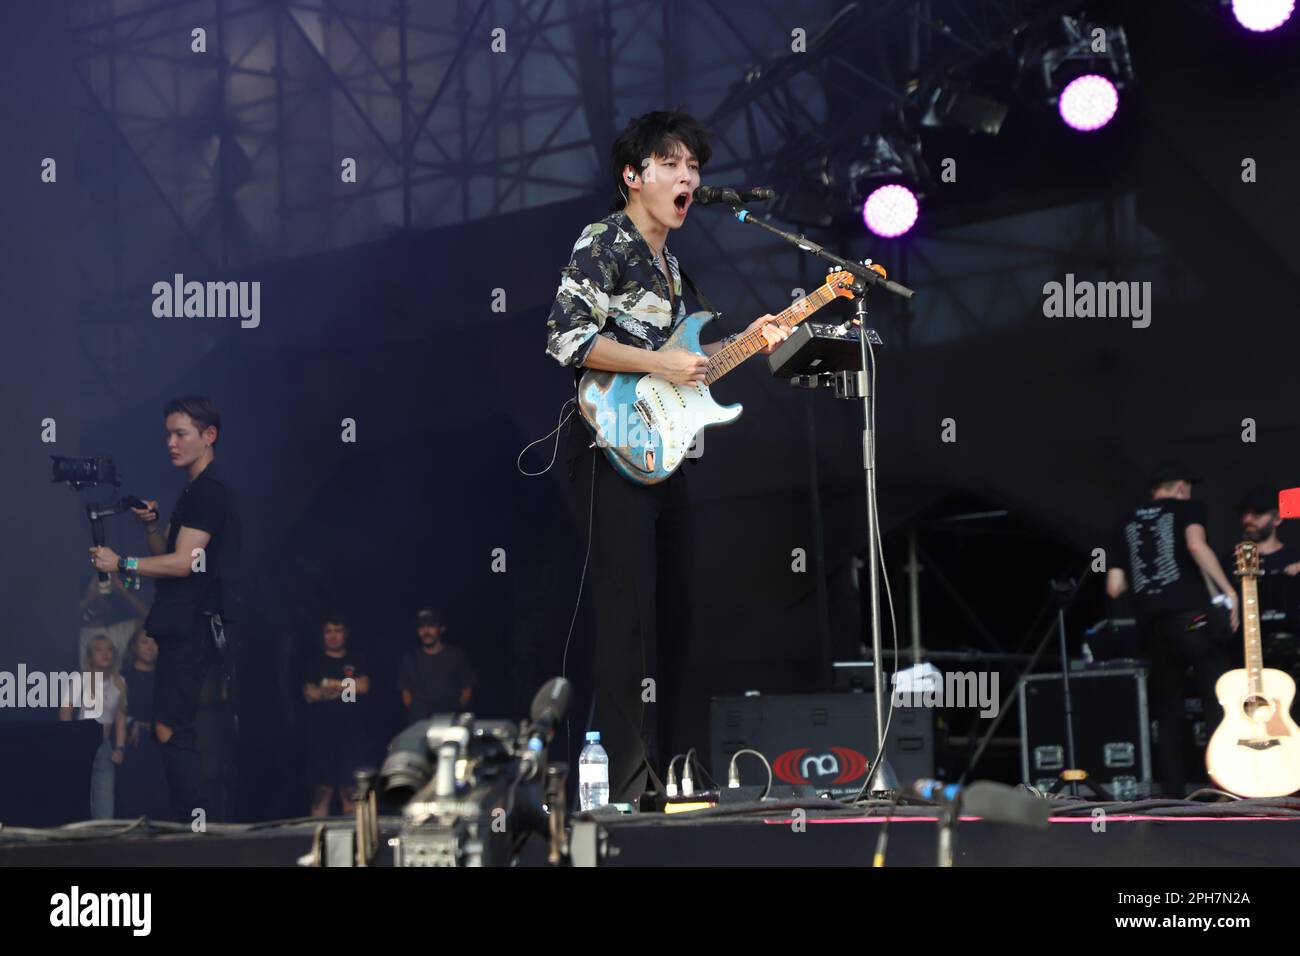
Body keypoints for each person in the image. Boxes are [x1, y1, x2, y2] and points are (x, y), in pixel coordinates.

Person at [545, 109, 789, 803]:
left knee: (678, 609)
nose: (688, 178)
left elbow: (694, 364)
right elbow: (568, 339)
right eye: (672, 164)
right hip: (603, 443)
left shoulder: (673, 270)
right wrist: (660, 361)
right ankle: (628, 781)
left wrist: (749, 339)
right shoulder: (606, 240)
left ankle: (674, 771)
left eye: (695, 167)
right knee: (624, 614)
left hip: (662, 453)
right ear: (634, 175)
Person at [88, 395, 242, 823]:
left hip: (194, 623)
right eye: (168, 435)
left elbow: (182, 563)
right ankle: (194, 824)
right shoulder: (194, 489)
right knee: (168, 729)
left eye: (181, 434)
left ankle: (197, 828)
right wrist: (151, 525)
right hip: (180, 624)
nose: (171, 443)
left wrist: (121, 563)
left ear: (209, 436)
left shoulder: (209, 489)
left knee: (171, 729)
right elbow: (170, 550)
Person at [1106, 461, 1238, 798]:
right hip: (1192, 619)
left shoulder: (1125, 519)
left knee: (1167, 711)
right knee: (1218, 701)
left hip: (1153, 627)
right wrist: (1228, 591)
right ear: (1180, 486)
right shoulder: (1188, 507)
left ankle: (1174, 796)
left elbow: (1114, 586)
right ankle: (1224, 788)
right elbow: (1196, 546)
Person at [302, 615, 371, 816]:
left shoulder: (357, 660)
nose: (333, 636)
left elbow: (364, 686)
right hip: (321, 735)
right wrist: (347, 686)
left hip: (351, 735)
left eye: (337, 631)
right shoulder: (314, 663)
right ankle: (316, 839)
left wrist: (330, 685)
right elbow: (311, 693)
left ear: (345, 634)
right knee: (322, 792)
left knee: (350, 791)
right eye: (328, 631)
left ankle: (354, 842)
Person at [58, 633, 127, 820]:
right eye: (98, 650)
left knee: (104, 795)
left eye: (109, 650)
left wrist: (120, 747)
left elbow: (120, 717)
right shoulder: (81, 679)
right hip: (81, 742)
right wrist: (70, 738)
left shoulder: (119, 682)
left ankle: (102, 841)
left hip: (104, 743)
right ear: (89, 656)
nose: (105, 654)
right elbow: (65, 710)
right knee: (78, 793)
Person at [1223, 486, 1300, 640]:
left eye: (1257, 514)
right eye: (1245, 514)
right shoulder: (1230, 560)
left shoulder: (1295, 558)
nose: (1248, 520)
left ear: (1277, 519)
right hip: (1243, 647)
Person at [117, 627, 170, 820]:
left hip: (161, 744)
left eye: (155, 643)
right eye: (144, 642)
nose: (150, 647)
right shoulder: (123, 677)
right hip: (134, 745)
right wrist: (133, 723)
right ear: (133, 647)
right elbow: (116, 711)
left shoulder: (165, 677)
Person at [397, 607, 476, 720]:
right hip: (419, 722)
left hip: (450, 720)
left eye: (431, 626)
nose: (426, 631)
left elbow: (467, 690)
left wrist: (456, 711)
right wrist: (418, 713)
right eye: (422, 627)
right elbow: (406, 694)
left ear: (441, 628)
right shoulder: (410, 659)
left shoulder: (456, 656)